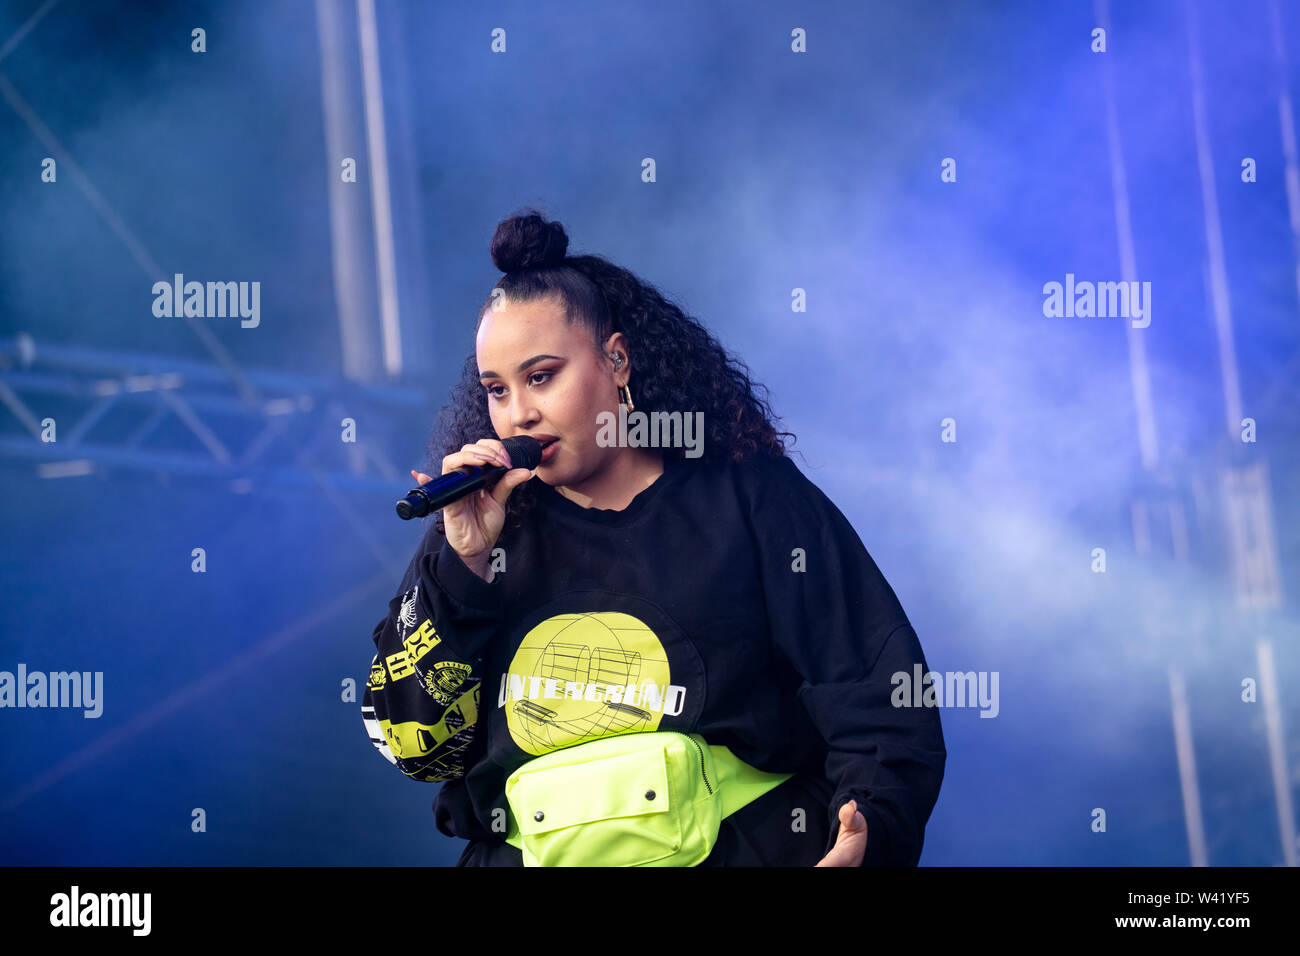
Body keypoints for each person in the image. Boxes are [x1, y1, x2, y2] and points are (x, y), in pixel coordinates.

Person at [360, 209, 946, 866]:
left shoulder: (748, 500)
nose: (518, 411)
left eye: (542, 375)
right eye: (497, 389)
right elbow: (410, 746)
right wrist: (463, 569)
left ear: (616, 359)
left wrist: (868, 827)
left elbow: (877, 686)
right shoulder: (474, 539)